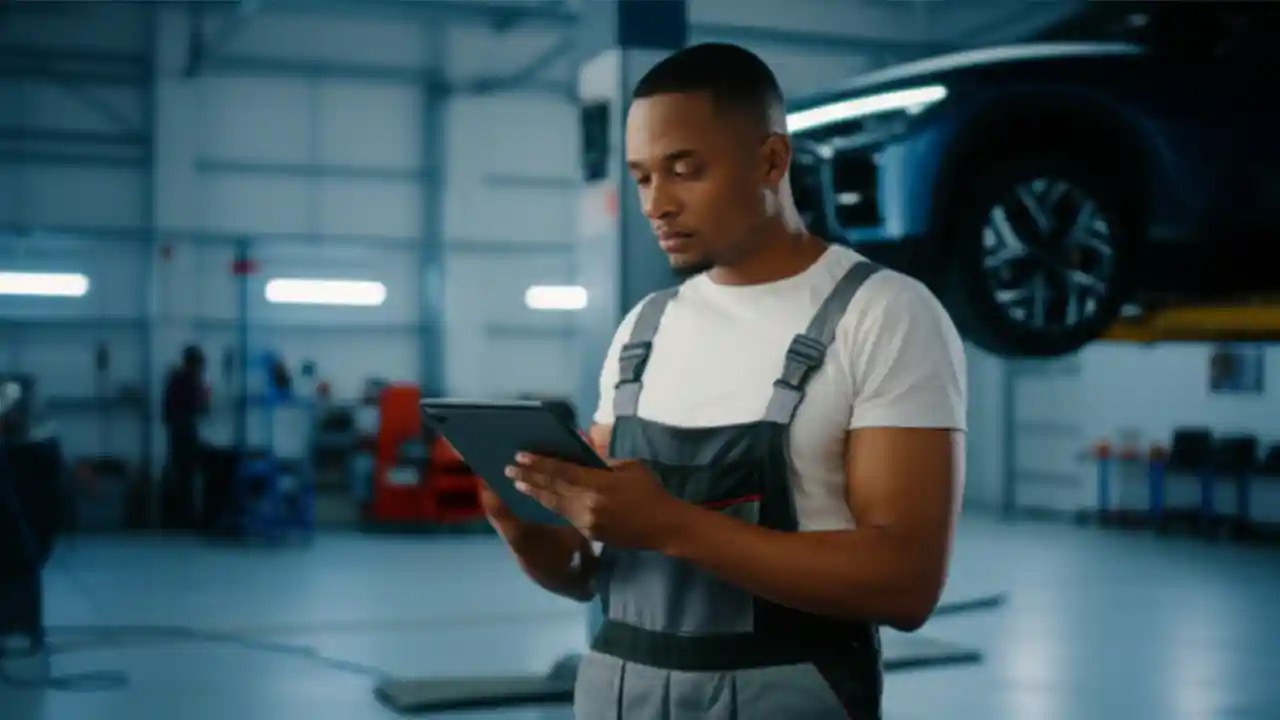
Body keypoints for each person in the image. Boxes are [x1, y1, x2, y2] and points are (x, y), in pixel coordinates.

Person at [481, 42, 967, 720]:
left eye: (684, 170)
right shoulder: (641, 334)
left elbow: (907, 584)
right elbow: (589, 574)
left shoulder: (883, 314)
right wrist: (522, 526)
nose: (657, 204)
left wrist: (674, 525)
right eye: (642, 177)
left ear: (772, 160)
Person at [162, 345, 209, 525]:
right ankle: (187, 518)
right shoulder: (188, 381)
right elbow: (200, 408)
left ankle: (181, 517)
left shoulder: (175, 379)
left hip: (176, 431)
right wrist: (204, 395)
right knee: (187, 475)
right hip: (184, 431)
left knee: (181, 474)